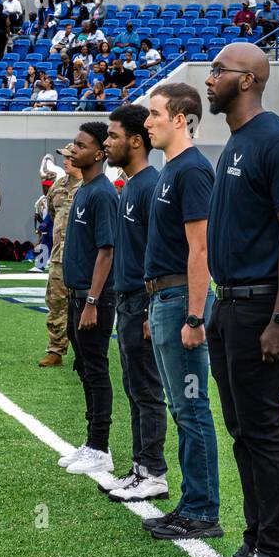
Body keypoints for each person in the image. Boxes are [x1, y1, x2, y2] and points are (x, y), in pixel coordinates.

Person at [200, 43, 279, 557]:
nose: (209, 78)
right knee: (242, 430)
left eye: (219, 71)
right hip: (231, 306)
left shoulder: (277, 139)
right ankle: (255, 543)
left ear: (248, 81)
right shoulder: (238, 142)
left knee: (263, 431)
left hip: (263, 308)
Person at [139, 83, 222, 541]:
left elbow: (201, 248)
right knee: (181, 408)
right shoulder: (172, 169)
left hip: (179, 303)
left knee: (191, 409)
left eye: (154, 114)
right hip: (164, 301)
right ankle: (192, 502)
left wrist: (194, 316)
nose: (146, 122)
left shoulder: (191, 170)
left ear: (180, 119)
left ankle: (204, 510)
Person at [100, 104, 170, 503]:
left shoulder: (149, 186)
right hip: (127, 301)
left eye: (113, 136)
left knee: (146, 388)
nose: (107, 143)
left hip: (141, 303)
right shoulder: (130, 185)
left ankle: (153, 471)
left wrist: (147, 308)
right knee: (134, 386)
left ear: (136, 140)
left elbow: (156, 253)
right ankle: (140, 467)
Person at [56, 122, 120, 476]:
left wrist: (93, 301)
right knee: (84, 367)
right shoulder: (84, 188)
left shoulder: (102, 193)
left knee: (96, 370)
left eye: (80, 145)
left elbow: (106, 252)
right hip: (77, 294)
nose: (72, 150)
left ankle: (100, 445)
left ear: (99, 153)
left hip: (94, 298)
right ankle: (91, 441)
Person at [41, 150, 82, 367]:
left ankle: (83, 352)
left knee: (82, 305)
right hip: (59, 257)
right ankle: (55, 349)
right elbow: (53, 214)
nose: (65, 161)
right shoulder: (57, 187)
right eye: (64, 157)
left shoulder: (89, 186)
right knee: (56, 302)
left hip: (83, 258)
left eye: (69, 157)